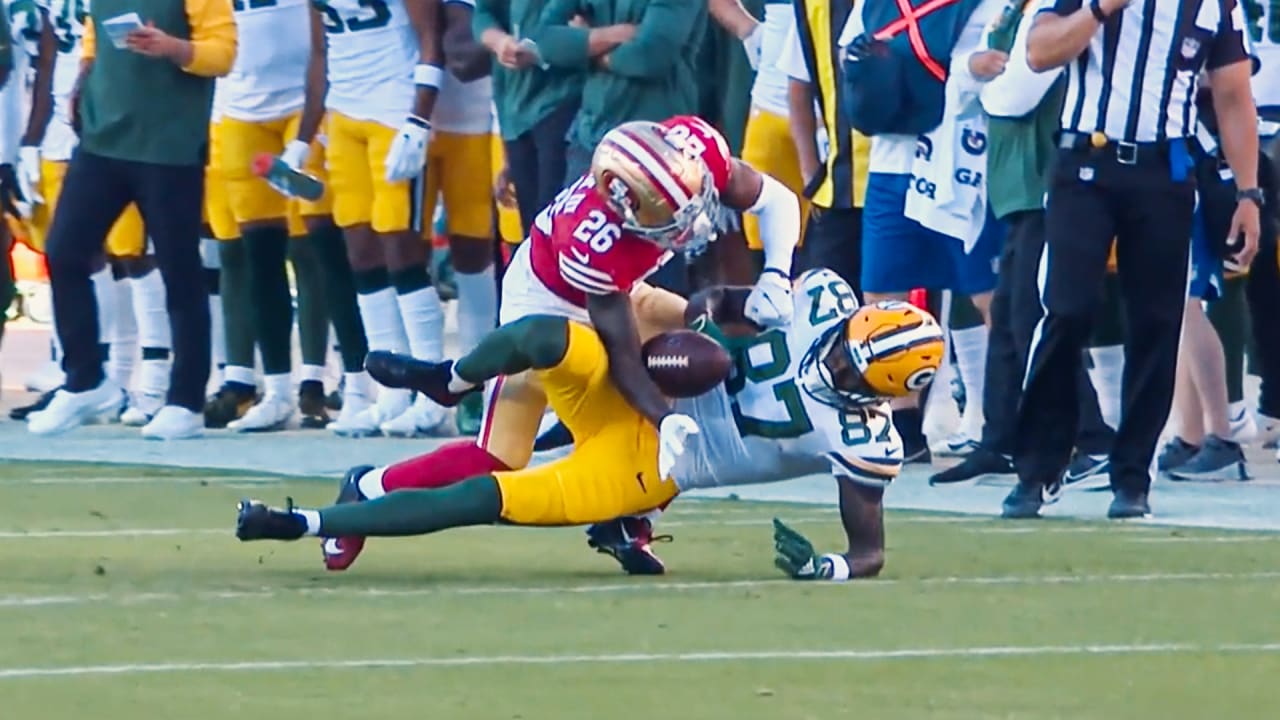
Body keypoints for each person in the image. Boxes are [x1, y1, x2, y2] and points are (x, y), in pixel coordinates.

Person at [235, 269, 945, 581]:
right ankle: (446, 379)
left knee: (496, 497)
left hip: (651, 468)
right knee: (545, 335)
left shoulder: (865, 442)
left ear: (880, 394)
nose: (837, 357)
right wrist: (717, 306)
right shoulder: (821, 299)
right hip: (640, 390)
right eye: (849, 340)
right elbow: (724, 298)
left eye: (854, 370)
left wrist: (828, 568)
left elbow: (869, 553)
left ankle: (306, 523)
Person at [316, 116, 801, 571]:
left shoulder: (690, 153)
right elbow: (624, 358)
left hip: (625, 290)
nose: (691, 223)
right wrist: (662, 414)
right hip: (552, 304)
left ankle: (628, 519)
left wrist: (777, 276)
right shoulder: (592, 240)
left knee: (709, 372)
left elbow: (776, 200)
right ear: (627, 209)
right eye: (671, 215)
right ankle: (368, 485)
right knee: (502, 457)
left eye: (692, 203)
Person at [1004, 0, 1260, 519]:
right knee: (1068, 308)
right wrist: (1099, 10)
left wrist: (1249, 195)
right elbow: (1037, 52)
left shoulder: (1214, 5)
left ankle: (1132, 475)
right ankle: (1039, 465)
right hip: (1084, 163)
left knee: (1157, 323)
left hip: (1163, 170)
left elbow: (1233, 95)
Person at [30, 0, 236, 439]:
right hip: (103, 139)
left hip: (169, 145)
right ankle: (85, 381)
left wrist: (173, 47)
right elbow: (94, 37)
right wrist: (82, 85)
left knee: (180, 272)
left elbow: (223, 53)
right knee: (64, 251)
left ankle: (185, 400)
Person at [292, 0, 447, 438]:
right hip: (343, 116)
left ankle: (433, 388)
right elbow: (321, 54)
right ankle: (391, 387)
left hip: (394, 110)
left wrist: (419, 119)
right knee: (360, 252)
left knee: (400, 249)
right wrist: (302, 140)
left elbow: (431, 40)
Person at [531, 0, 708, 295]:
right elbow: (545, 40)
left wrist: (586, 49)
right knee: (575, 268)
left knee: (655, 284)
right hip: (591, 140)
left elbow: (649, 56)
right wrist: (609, 36)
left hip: (658, 156)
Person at [779, 0, 869, 294]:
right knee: (817, 300)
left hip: (912, 185)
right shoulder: (817, 5)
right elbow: (797, 88)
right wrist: (810, 170)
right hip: (841, 188)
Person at [475, 0, 583, 237]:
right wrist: (498, 41)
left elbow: (586, 24)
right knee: (532, 234)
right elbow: (483, 14)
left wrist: (542, 48)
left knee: (556, 226)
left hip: (563, 99)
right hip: (515, 109)